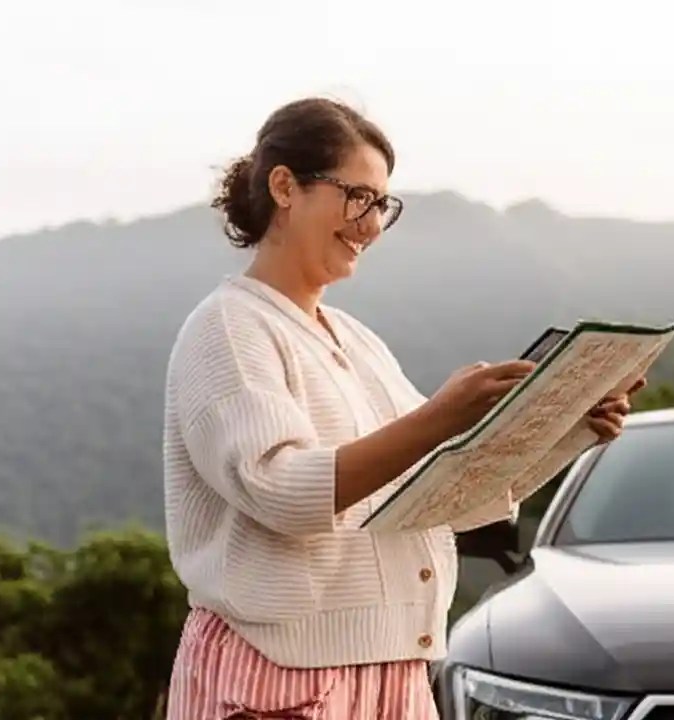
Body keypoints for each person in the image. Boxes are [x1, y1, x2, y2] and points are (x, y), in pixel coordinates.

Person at [161, 96, 641, 719]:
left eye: (382, 204)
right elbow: (281, 490)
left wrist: (570, 430)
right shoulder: (229, 329)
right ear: (285, 186)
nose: (371, 224)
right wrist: (440, 415)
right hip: (277, 681)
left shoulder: (355, 341)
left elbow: (443, 490)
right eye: (357, 197)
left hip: (393, 677)